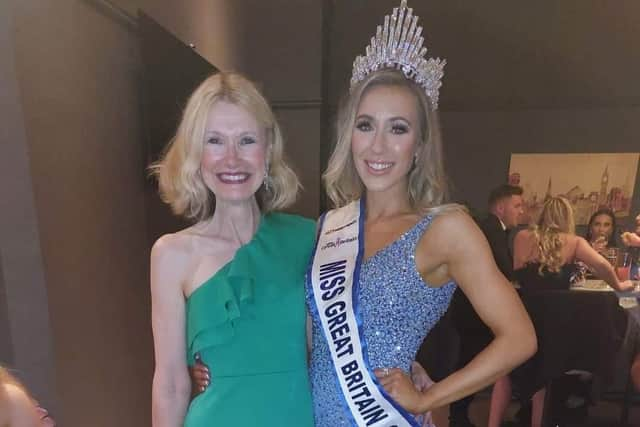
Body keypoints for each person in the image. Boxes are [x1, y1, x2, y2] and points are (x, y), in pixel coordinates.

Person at [305, 2, 536, 425]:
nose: (377, 147)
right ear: (349, 135)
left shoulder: (446, 229)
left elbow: (520, 338)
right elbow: (310, 340)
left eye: (398, 128)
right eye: (365, 125)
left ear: (420, 145)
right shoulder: (329, 228)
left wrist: (429, 399)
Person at [149, 72, 317, 426]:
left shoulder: (308, 239)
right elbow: (170, 384)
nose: (232, 160)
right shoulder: (171, 255)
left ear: (268, 149)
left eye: (246, 140)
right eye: (215, 141)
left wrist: (409, 362)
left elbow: (341, 340)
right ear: (195, 152)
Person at [488, 196, 634, 427]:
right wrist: (619, 285)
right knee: (544, 371)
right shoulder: (574, 242)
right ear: (568, 218)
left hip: (521, 317)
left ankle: (492, 424)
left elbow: (520, 274)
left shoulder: (521, 237)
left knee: (504, 372)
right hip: (552, 327)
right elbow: (603, 266)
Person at [448, 184, 524, 427]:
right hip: (474, 312)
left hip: (471, 310)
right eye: (517, 205)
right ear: (501, 207)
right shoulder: (492, 229)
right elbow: (504, 270)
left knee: (471, 361)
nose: (521, 212)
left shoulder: (491, 228)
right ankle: (457, 417)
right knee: (472, 364)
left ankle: (458, 416)